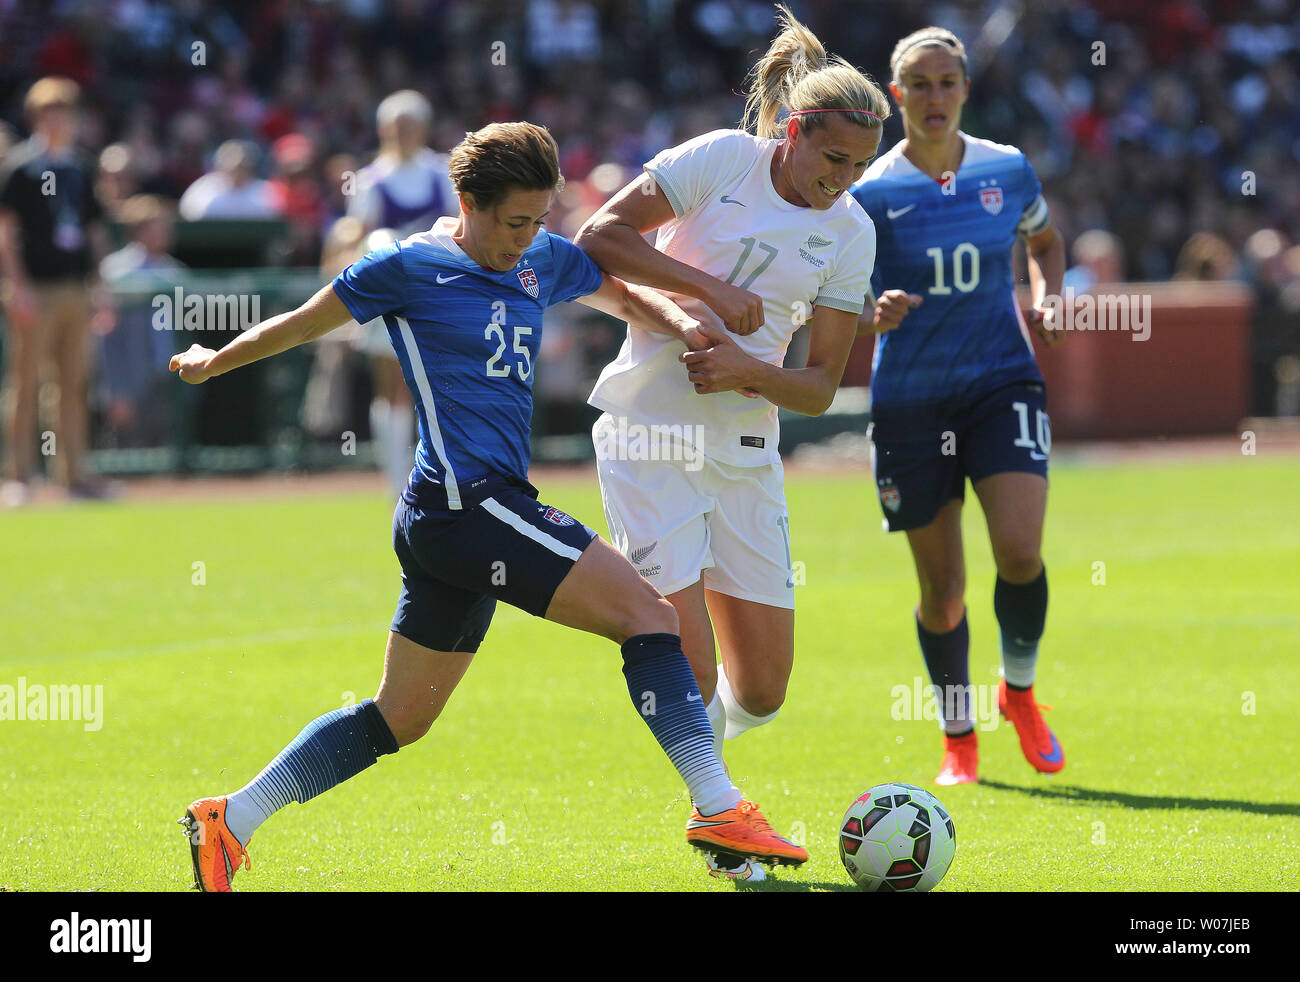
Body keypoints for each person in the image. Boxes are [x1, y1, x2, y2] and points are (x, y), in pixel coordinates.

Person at [170, 121, 807, 892]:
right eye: (514, 223)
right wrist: (215, 358)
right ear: (467, 202)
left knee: (397, 719)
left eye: (539, 221)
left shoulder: (541, 254)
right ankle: (718, 806)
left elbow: (617, 290)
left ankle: (229, 820)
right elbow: (300, 324)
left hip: (457, 518)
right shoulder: (404, 268)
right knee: (652, 617)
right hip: (467, 507)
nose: (527, 239)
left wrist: (683, 319)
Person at [575, 4, 886, 881]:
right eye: (832, 159)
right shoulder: (719, 159)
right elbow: (598, 237)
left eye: (859, 168)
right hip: (647, 435)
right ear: (791, 131)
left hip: (745, 451)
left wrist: (749, 374)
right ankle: (724, 832)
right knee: (684, 660)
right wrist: (702, 290)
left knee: (763, 690)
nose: (842, 180)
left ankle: (712, 763)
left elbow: (820, 386)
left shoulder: (852, 231)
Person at [850, 27, 1068, 786]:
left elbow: (1045, 242)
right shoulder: (869, 193)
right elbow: (835, 292)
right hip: (911, 400)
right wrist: (871, 310)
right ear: (895, 93)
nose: (935, 96)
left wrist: (1048, 299)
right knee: (942, 593)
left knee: (1019, 550)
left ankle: (1020, 691)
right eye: (920, 83)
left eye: (948, 83)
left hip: (1001, 381)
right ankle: (958, 738)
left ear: (966, 90)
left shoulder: (1006, 170)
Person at [0, 76, 111, 504]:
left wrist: (100, 286)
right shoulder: (20, 167)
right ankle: (19, 477)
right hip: (36, 288)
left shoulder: (81, 166)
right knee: (24, 383)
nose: (57, 120)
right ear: (36, 117)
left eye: (63, 112)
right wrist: (17, 287)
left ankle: (74, 476)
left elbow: (95, 230)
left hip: (74, 287)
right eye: (49, 112)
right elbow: (6, 235)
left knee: (72, 384)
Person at [349, 90, 459, 497]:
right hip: (387, 293)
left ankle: (436, 470)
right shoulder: (370, 179)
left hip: (437, 290)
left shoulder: (442, 171)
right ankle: (396, 477)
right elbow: (359, 234)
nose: (404, 133)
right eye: (397, 127)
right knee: (390, 383)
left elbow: (458, 225)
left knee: (434, 382)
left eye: (411, 126)